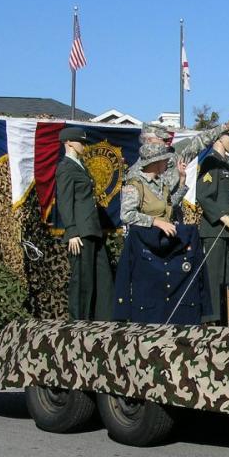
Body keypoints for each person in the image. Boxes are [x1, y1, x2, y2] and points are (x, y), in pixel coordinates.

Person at [55, 127, 113, 320]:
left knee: (103, 279)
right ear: (69, 142)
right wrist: (71, 231)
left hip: (92, 229)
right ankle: (78, 325)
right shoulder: (65, 167)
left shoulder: (81, 166)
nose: (84, 146)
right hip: (80, 232)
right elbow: (64, 201)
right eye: (81, 142)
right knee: (82, 281)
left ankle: (103, 322)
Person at [196, 127, 229, 324]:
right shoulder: (210, 161)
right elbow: (203, 195)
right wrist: (223, 217)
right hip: (216, 229)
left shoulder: (228, 166)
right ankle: (211, 321)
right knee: (213, 277)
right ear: (219, 137)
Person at [120, 141, 188, 233]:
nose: (168, 163)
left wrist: (182, 180)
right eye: (165, 160)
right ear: (156, 162)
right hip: (146, 239)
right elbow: (126, 215)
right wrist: (156, 222)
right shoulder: (136, 184)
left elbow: (170, 205)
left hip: (162, 237)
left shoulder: (160, 181)